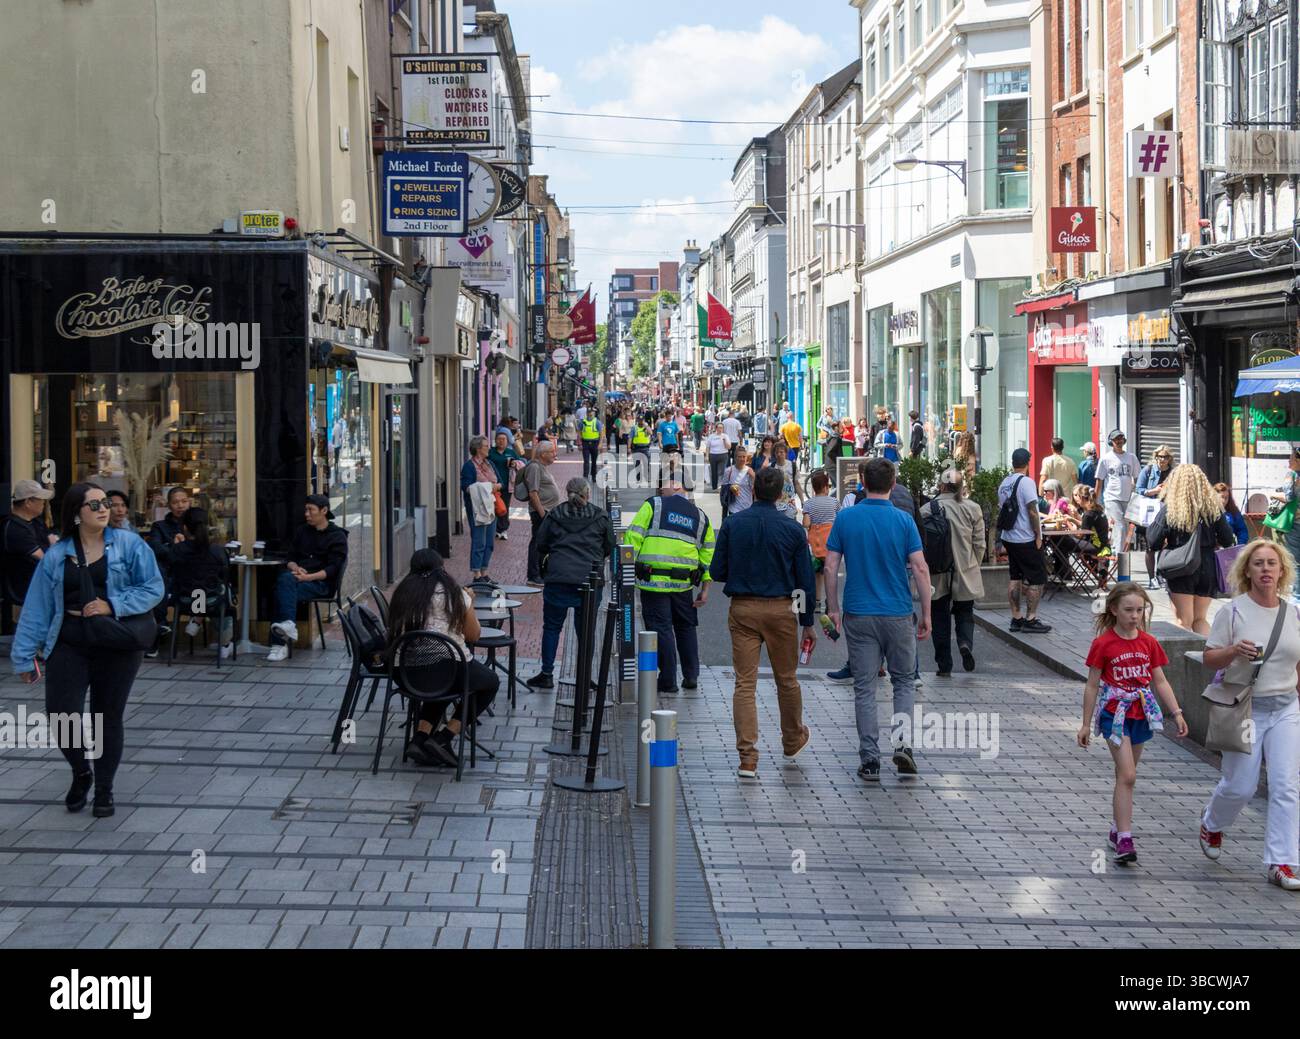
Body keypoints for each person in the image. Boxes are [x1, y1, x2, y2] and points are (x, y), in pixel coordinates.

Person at [11, 482, 165, 819]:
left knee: (106, 716)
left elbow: (154, 587)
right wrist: (24, 656)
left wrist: (114, 603)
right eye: (93, 504)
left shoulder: (128, 544)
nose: (103, 509)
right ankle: (82, 772)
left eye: (105, 502)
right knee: (61, 714)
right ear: (77, 513)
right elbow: (36, 608)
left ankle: (105, 789)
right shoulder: (56, 554)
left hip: (117, 642)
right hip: (69, 640)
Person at [1198, 540, 1300, 890]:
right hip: (1246, 711)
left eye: (1272, 563)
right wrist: (1232, 651)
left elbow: (1297, 662)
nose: (1266, 569)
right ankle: (1212, 823)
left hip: (1286, 708)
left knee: (1287, 786)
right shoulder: (1234, 612)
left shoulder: (1294, 612)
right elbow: (1209, 658)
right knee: (1241, 786)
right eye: (1258, 564)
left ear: (1282, 570)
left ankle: (1282, 862)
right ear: (1247, 570)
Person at [825, 457, 932, 782]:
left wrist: (833, 608)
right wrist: (926, 612)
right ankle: (902, 745)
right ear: (893, 482)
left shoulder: (846, 518)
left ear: (862, 480)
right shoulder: (904, 521)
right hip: (898, 613)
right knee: (902, 681)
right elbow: (920, 567)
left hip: (859, 612)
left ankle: (870, 759)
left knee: (864, 687)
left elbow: (830, 566)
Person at [710, 466, 815, 779]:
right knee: (787, 679)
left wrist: (742, 572)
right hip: (782, 609)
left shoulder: (733, 524)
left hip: (743, 608)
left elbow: (717, 571)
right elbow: (805, 581)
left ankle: (748, 758)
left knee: (745, 683)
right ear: (782, 494)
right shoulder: (793, 530)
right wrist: (807, 621)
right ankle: (792, 738)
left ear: (753, 492)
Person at [1077, 584, 1187, 865]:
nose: (1135, 615)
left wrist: (1176, 712)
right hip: (1114, 714)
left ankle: (1116, 829)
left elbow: (1160, 680)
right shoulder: (1103, 644)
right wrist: (1086, 724)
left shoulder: (1148, 642)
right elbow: (1091, 685)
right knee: (1127, 775)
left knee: (1126, 774)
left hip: (1142, 713)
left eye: (1140, 610)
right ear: (1113, 610)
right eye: (1128, 610)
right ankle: (1125, 838)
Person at [386, 549, 499, 768]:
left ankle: (419, 740)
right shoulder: (455, 594)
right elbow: (474, 635)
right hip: (446, 668)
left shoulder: (401, 593)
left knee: (443, 682)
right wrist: (470, 603)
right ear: (441, 569)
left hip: (405, 673)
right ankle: (444, 738)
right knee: (488, 682)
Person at [624, 478, 714, 694]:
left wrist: (625, 571)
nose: (658, 487)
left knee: (661, 628)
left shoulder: (654, 505)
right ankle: (691, 675)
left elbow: (632, 537)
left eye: (662, 483)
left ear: (675, 484)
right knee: (685, 627)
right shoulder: (700, 516)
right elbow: (708, 554)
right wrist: (705, 588)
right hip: (684, 585)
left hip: (654, 583)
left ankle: (667, 680)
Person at [525, 478, 616, 690]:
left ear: (567, 493)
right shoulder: (600, 516)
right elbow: (609, 545)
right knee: (586, 630)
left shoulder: (554, 515)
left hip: (558, 578)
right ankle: (584, 677)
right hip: (590, 580)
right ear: (587, 493)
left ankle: (547, 673)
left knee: (552, 626)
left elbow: (541, 543)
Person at [1146, 463, 1235, 635]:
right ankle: (1206, 659)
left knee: (1183, 621)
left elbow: (1152, 541)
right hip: (1208, 565)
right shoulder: (1213, 509)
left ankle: (1184, 660)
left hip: (1180, 566)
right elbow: (1227, 539)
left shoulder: (1171, 510)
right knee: (1200, 619)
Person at [266, 494, 349, 661]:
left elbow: (333, 569)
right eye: (306, 510)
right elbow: (290, 557)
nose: (306, 514)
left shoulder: (337, 536)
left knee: (281, 587)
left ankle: (278, 644)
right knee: (285, 580)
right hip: (298, 579)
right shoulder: (302, 531)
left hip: (321, 584)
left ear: (324, 511)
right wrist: (295, 567)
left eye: (310, 510)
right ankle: (288, 626)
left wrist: (308, 577)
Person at [931, 469, 985, 677]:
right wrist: (973, 565)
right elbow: (979, 544)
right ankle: (964, 643)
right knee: (965, 613)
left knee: (939, 617)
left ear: (941, 485)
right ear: (961, 487)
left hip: (937, 573)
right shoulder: (972, 508)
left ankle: (944, 664)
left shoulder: (929, 508)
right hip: (965, 570)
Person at [169, 507, 234, 659]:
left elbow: (171, 571)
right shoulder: (217, 550)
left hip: (184, 599)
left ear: (185, 528)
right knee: (224, 591)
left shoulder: (177, 550)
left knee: (202, 591)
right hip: (211, 599)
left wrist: (176, 545)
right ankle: (224, 642)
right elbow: (225, 577)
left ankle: (197, 617)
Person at [999, 448, 1052, 634]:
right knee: (1037, 578)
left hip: (1009, 537)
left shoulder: (1004, 483)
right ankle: (1031, 619)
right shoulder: (1027, 482)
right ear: (1027, 463)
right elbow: (1031, 510)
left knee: (1015, 577)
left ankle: (1016, 618)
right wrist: (1038, 535)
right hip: (1025, 538)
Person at [3, 479, 56, 603]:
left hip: (40, 588)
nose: (44, 503)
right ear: (28, 502)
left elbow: (54, 540)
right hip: (24, 595)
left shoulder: (36, 521)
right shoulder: (14, 528)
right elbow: (45, 559)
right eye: (40, 499)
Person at [460, 436, 500, 585]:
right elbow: (466, 487)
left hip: (491, 506)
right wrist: (488, 487)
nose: (488, 448)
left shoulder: (489, 463)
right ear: (478, 449)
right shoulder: (469, 466)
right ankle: (476, 574)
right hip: (477, 509)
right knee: (479, 540)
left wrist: (496, 486)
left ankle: (484, 572)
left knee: (489, 541)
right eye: (485, 446)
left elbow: (500, 480)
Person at [1135, 444, 1175, 586]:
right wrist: (1153, 491)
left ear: (1169, 458)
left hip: (1167, 512)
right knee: (1150, 546)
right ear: (1155, 456)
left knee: (1165, 545)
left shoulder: (1173, 473)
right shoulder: (1148, 470)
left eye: (1165, 457)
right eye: (1159, 456)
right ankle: (1151, 578)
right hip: (1149, 513)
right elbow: (1138, 489)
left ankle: (1160, 575)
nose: (1162, 460)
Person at [523, 441, 561, 587]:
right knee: (537, 543)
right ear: (543, 454)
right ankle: (533, 575)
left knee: (543, 543)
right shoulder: (534, 467)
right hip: (541, 513)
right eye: (552, 452)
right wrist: (543, 514)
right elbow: (533, 493)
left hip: (547, 512)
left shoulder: (542, 467)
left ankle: (542, 572)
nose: (554, 454)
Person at [1094, 429, 1139, 554]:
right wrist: (1095, 501)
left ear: (1124, 440)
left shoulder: (1131, 458)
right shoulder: (1105, 459)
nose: (1119, 441)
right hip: (1112, 498)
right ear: (1111, 442)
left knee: (1127, 529)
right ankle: (1120, 559)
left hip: (1128, 498)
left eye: (1121, 439)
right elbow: (1099, 481)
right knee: (1120, 527)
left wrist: (1136, 494)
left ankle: (1123, 556)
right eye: (1116, 439)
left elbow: (1136, 477)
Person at [802, 470, 838, 612]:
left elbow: (806, 523)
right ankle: (830, 602)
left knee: (817, 575)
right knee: (830, 573)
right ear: (825, 487)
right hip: (830, 547)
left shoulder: (808, 504)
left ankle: (817, 603)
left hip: (815, 546)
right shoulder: (835, 502)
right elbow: (839, 520)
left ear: (813, 488)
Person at [488, 431, 525, 542]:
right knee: (492, 507)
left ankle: (503, 530)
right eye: (499, 439)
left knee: (504, 507)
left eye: (504, 439)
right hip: (492, 485)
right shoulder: (490, 452)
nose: (501, 441)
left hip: (506, 485)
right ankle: (494, 528)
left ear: (507, 441)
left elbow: (521, 462)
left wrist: (515, 464)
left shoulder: (510, 452)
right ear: (495, 440)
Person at [720, 447, 755, 520]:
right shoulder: (729, 471)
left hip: (747, 507)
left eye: (744, 457)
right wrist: (730, 487)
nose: (742, 459)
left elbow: (755, 490)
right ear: (735, 458)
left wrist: (753, 476)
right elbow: (723, 487)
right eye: (739, 457)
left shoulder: (750, 471)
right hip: (733, 508)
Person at [705, 425, 730, 491]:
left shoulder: (725, 436)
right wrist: (707, 456)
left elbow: (728, 447)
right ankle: (714, 486)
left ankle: (720, 486)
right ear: (716, 428)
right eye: (719, 427)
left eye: (721, 428)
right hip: (713, 455)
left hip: (723, 455)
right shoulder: (711, 436)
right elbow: (708, 447)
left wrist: (724, 440)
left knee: (722, 471)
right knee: (714, 472)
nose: (720, 429)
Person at [579, 411, 602, 481]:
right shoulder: (583, 422)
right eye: (589, 414)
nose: (590, 416)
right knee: (586, 461)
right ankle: (585, 476)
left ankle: (594, 476)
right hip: (585, 443)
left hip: (595, 443)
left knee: (594, 461)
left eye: (591, 415)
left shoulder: (597, 422)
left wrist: (600, 444)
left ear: (594, 415)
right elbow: (579, 432)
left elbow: (601, 434)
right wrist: (579, 443)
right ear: (586, 414)